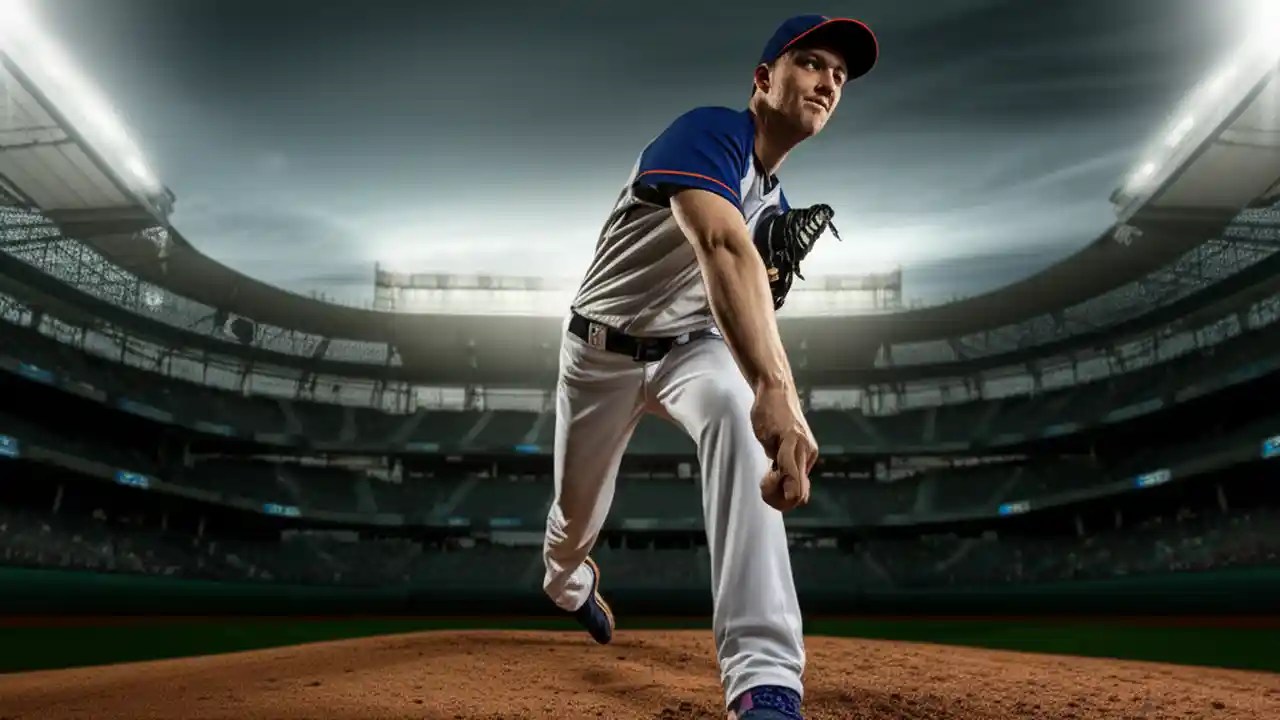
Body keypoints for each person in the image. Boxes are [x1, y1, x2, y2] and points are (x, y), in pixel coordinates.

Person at [540, 15, 878, 720]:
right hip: (599, 353)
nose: (827, 82)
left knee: (735, 413)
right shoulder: (709, 132)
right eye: (812, 63)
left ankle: (765, 678)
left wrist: (782, 401)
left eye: (839, 77)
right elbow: (722, 244)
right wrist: (778, 388)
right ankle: (566, 580)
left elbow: (748, 306)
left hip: (692, 351)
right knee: (575, 517)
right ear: (764, 79)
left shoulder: (775, 206)